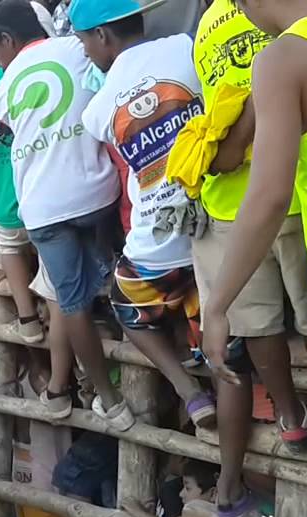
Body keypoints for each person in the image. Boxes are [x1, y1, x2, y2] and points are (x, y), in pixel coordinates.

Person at [191, 0, 307, 517]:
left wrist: (216, 305)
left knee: (280, 323)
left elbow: (269, 192)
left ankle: (292, 413)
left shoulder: (285, 58)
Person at [0, 2, 133, 430]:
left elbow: (9, 130)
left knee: (72, 305)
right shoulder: (77, 48)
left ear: (8, 41)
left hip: (43, 209)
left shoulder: (1, 89)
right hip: (97, 194)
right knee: (108, 278)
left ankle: (111, 400)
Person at [72, 0, 217, 427]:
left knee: (126, 301)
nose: (84, 52)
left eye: (83, 42)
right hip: (214, 224)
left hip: (158, 243)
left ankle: (188, 392)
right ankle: (201, 347)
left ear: (102, 35)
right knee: (207, 302)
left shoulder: (97, 110)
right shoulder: (186, 47)